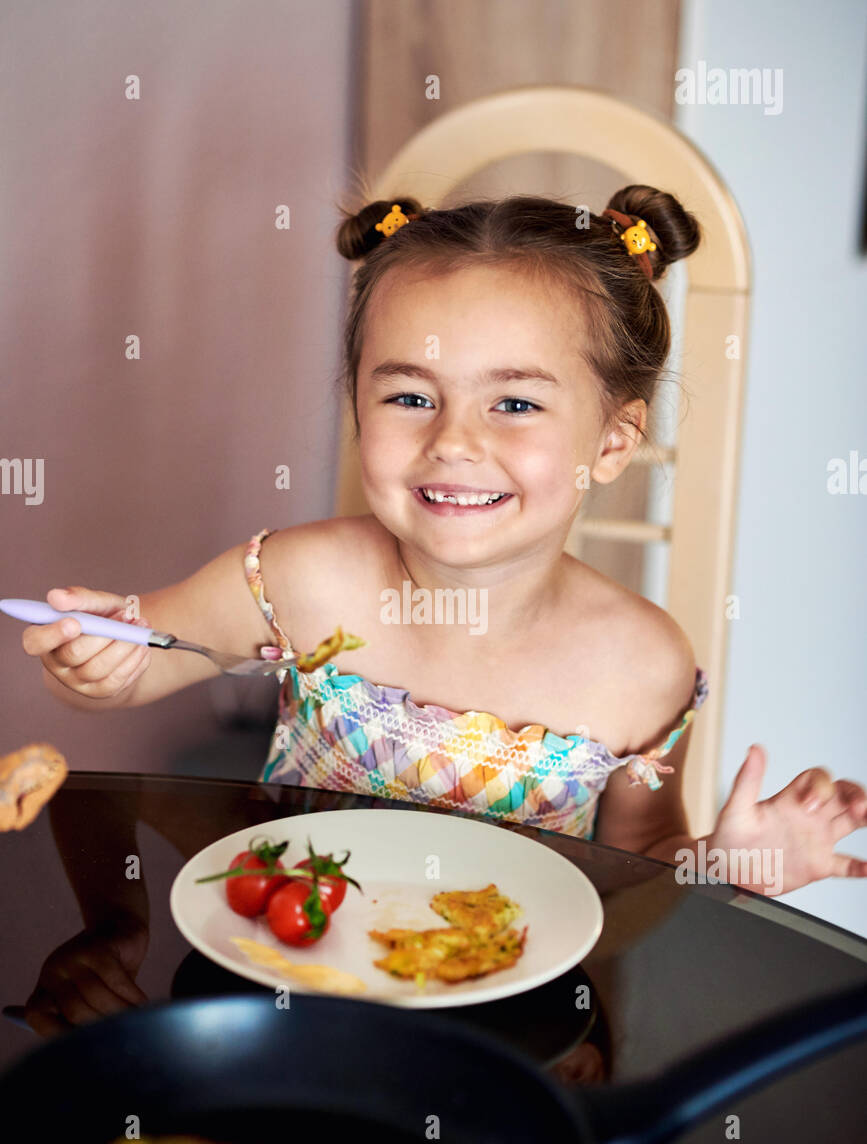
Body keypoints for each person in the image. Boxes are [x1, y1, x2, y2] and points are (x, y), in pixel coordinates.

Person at [24, 189, 867, 895]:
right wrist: (94, 663)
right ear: (357, 406)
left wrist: (728, 864)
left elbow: (638, 867)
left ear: (612, 442)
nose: (455, 442)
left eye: (514, 403)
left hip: (513, 1022)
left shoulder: (640, 665)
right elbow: (135, 664)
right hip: (283, 965)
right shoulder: (301, 578)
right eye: (409, 397)